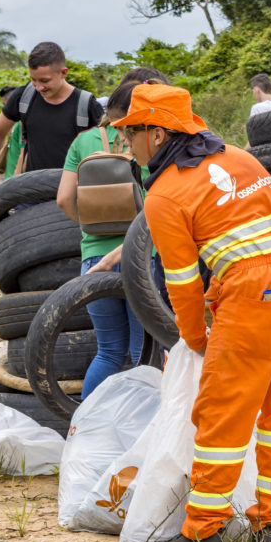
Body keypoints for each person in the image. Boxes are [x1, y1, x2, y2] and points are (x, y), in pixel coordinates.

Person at [110, 83, 271, 542]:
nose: (127, 144)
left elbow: (182, 283)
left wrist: (195, 337)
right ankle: (270, 525)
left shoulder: (164, 195)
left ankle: (202, 533)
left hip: (256, 296)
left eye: (131, 134)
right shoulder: (241, 159)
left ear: (158, 133)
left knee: (221, 416)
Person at [56, 68, 170, 398]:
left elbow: (63, 198)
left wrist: (91, 225)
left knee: (108, 352)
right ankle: (144, 435)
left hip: (94, 257)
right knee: (143, 355)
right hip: (141, 256)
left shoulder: (83, 141)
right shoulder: (151, 137)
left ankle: (83, 429)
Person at [0, 42, 102, 204]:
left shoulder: (86, 105)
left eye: (45, 81)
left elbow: (107, 146)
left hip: (75, 194)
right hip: (32, 193)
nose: (39, 87)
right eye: (33, 80)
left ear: (63, 73)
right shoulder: (24, 97)